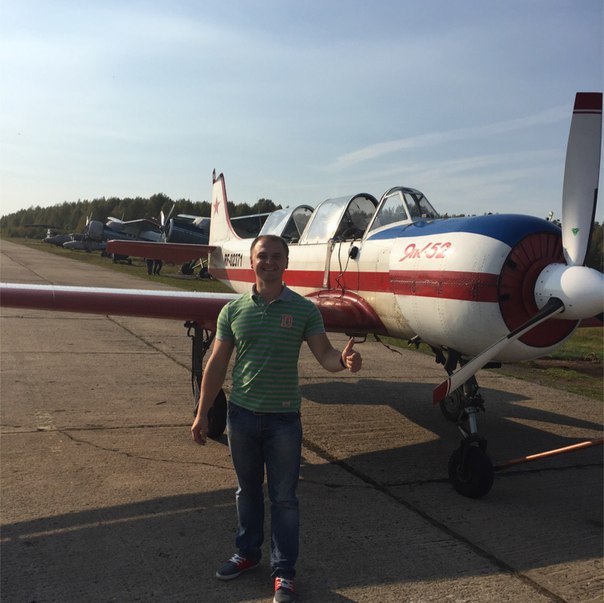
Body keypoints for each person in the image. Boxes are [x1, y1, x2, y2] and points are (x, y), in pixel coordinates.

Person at [191, 234, 362, 603]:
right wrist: (203, 413)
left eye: (276, 257)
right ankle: (247, 554)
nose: (268, 262)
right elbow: (216, 364)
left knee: (284, 499)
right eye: (262, 256)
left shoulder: (304, 310)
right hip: (241, 416)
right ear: (251, 261)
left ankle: (283, 573)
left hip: (283, 419)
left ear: (286, 262)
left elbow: (325, 355)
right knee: (247, 491)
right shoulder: (233, 310)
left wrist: (343, 361)